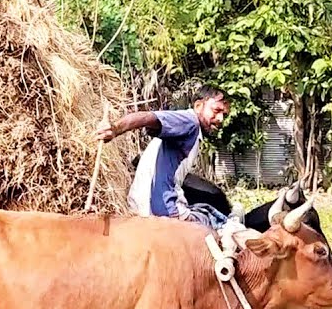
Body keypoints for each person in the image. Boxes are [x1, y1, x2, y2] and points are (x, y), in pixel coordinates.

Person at [98, 85, 232, 230]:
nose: (220, 119)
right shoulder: (189, 122)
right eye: (216, 111)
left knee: (208, 211)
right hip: (166, 212)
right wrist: (116, 129)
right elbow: (148, 118)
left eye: (224, 114)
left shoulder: (187, 129)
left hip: (146, 207)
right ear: (198, 106)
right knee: (224, 225)